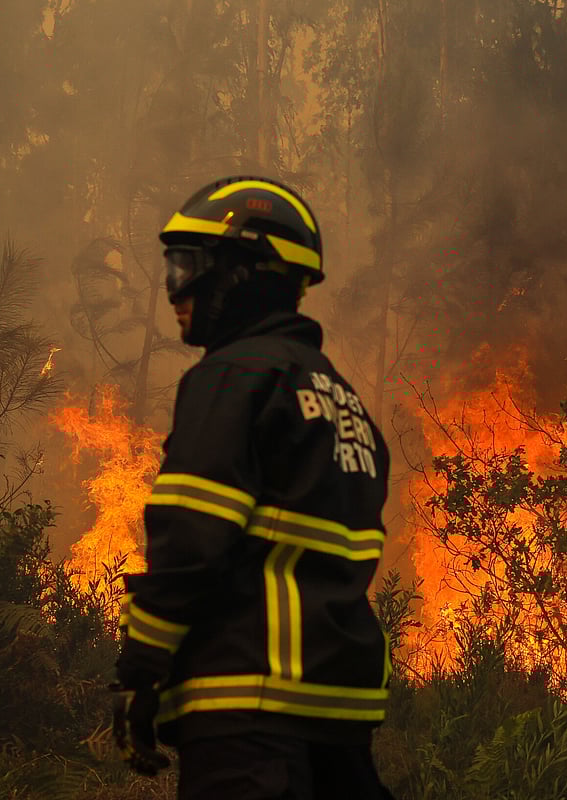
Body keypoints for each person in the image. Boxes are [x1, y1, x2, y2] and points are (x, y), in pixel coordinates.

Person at [110, 176, 397, 799]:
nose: (173, 287)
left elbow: (190, 537)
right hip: (338, 715)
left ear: (247, 272)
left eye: (190, 265)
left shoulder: (233, 376)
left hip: (249, 707)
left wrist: (141, 667)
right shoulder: (343, 402)